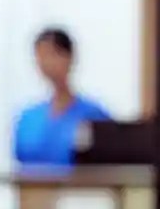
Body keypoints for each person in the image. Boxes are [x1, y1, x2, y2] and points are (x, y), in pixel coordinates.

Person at [13, 28, 112, 166]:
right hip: (32, 186)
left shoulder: (93, 115)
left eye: (53, 54)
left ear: (70, 57)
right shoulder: (28, 118)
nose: (47, 63)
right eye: (41, 56)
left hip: (78, 186)